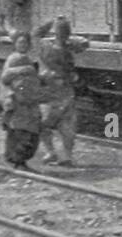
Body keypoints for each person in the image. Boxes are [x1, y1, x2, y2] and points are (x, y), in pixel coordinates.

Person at [37, 16, 89, 166]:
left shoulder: (52, 46)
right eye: (61, 30)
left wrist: (51, 23)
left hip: (59, 90)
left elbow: (85, 43)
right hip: (53, 90)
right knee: (48, 124)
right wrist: (53, 22)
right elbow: (84, 44)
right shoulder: (51, 46)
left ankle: (61, 155)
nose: (62, 33)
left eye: (64, 30)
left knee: (62, 125)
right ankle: (57, 154)